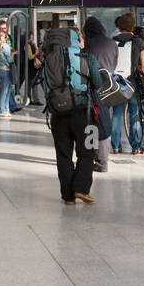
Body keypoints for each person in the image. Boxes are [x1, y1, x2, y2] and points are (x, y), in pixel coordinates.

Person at [43, 27, 96, 205]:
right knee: (88, 149)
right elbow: (97, 83)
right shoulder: (87, 58)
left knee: (63, 154)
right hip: (83, 112)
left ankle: (68, 196)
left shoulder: (48, 60)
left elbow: (45, 86)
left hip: (57, 114)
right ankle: (81, 188)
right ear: (75, 39)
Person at [82, 16, 117, 173]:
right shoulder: (111, 42)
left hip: (93, 87)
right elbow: (115, 63)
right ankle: (104, 160)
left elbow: (86, 63)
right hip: (109, 87)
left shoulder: (89, 43)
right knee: (105, 122)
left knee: (91, 123)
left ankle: (95, 159)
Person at [111, 13, 144, 155]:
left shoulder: (112, 40)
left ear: (119, 25)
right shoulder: (138, 41)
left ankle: (116, 147)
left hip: (117, 81)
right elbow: (143, 66)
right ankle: (136, 147)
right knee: (134, 113)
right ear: (132, 25)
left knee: (117, 114)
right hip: (132, 82)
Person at [0, 24, 17, 117]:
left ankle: (5, 109)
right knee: (6, 91)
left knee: (5, 90)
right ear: (6, 38)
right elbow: (9, 60)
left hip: (0, 69)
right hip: (6, 70)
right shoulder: (5, 46)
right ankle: (4, 109)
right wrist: (13, 54)